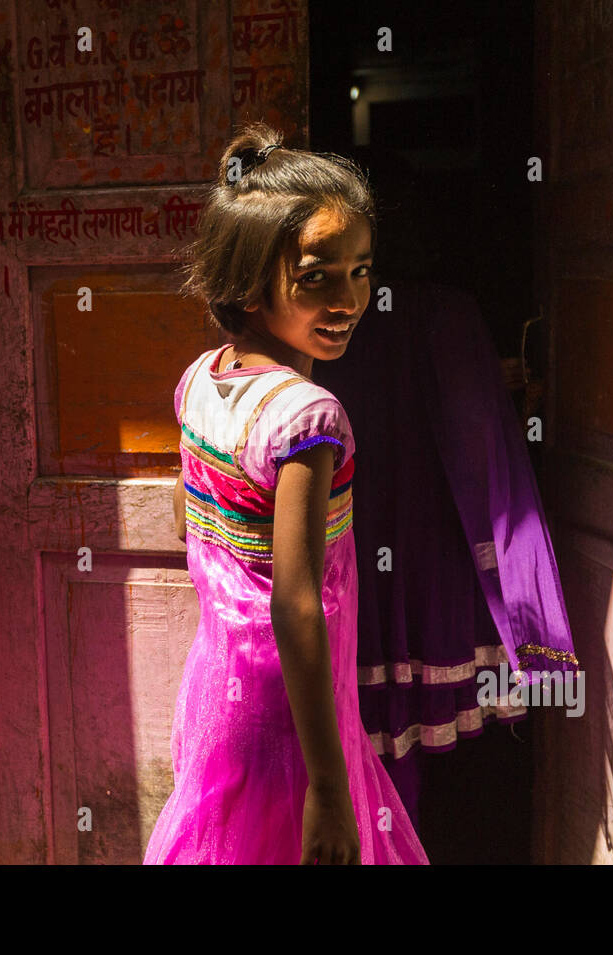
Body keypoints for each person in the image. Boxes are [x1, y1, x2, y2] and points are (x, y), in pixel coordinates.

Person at [143, 123, 428, 865]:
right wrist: (329, 789)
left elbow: (187, 517)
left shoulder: (202, 381)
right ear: (246, 279)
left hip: (219, 686)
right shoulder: (309, 418)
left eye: (362, 270)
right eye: (317, 277)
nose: (349, 297)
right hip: (288, 715)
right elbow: (297, 600)